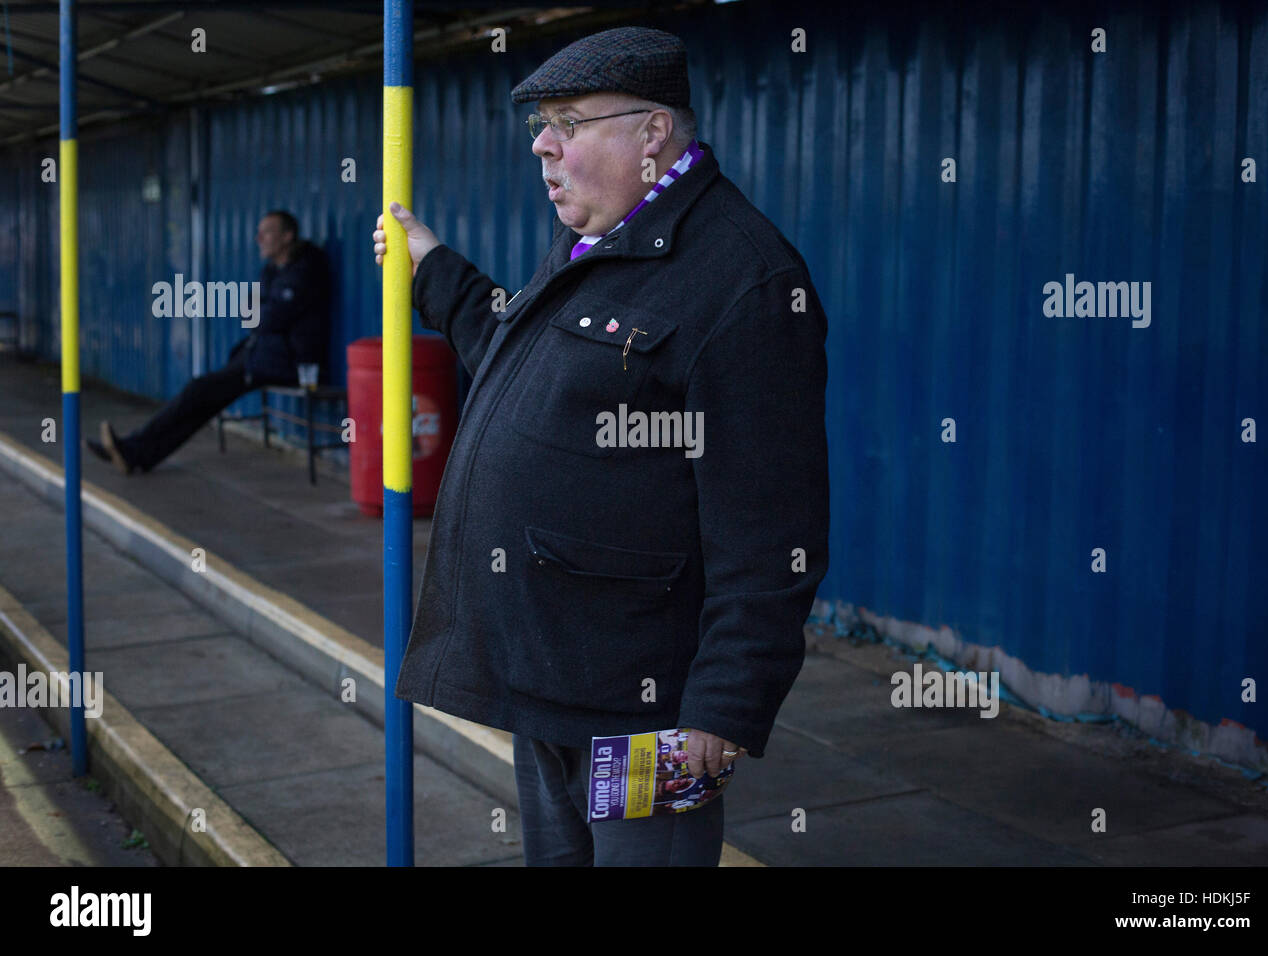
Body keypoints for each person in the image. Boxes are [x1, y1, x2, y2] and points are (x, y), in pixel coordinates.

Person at [373, 26, 829, 866]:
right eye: (543, 124)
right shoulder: (598, 239)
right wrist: (431, 268)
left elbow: (773, 530)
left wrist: (722, 708)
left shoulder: (748, 283)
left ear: (651, 133)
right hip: (544, 675)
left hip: (646, 713)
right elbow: (520, 360)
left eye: (570, 122)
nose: (543, 144)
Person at [85, 210, 331, 474]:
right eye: (259, 231)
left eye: (267, 231)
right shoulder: (273, 270)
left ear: (287, 236)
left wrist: (261, 313)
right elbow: (251, 314)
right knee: (200, 398)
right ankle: (136, 453)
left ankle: (134, 451)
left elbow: (268, 318)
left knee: (199, 391)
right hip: (260, 356)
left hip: (288, 364)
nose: (259, 238)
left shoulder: (305, 269)